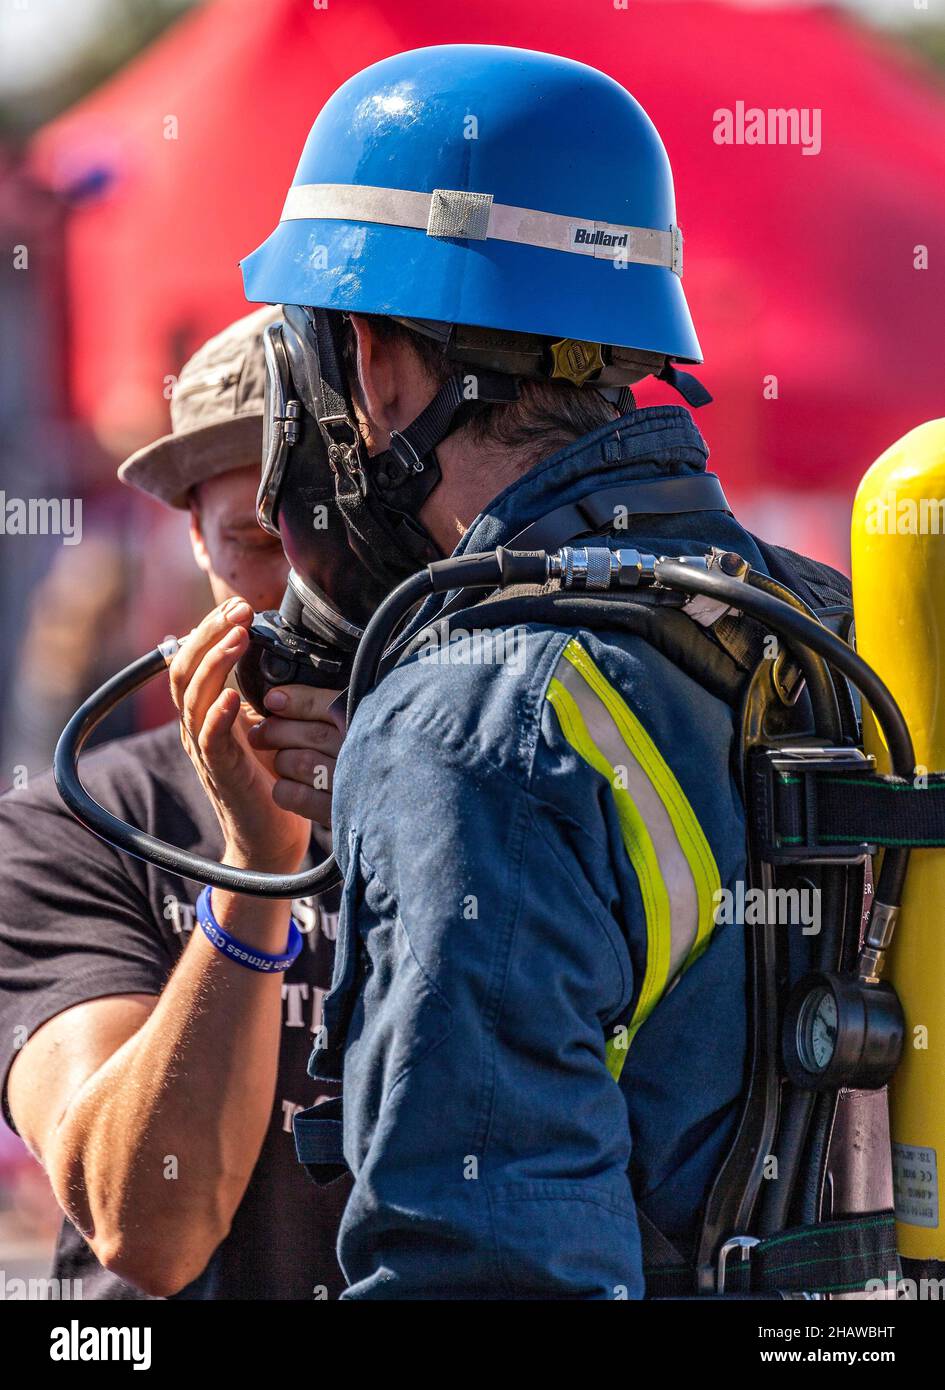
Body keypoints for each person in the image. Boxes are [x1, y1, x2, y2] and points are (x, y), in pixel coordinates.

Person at [229, 45, 867, 1299]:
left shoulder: (467, 722)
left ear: (373, 362)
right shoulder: (819, 623)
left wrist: (419, 779)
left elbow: (485, 1263)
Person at [0, 306, 351, 1300]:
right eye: (251, 541)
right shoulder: (71, 827)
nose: (299, 592)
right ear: (194, 542)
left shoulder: (491, 791)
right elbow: (146, 1229)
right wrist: (258, 866)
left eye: (328, 538)